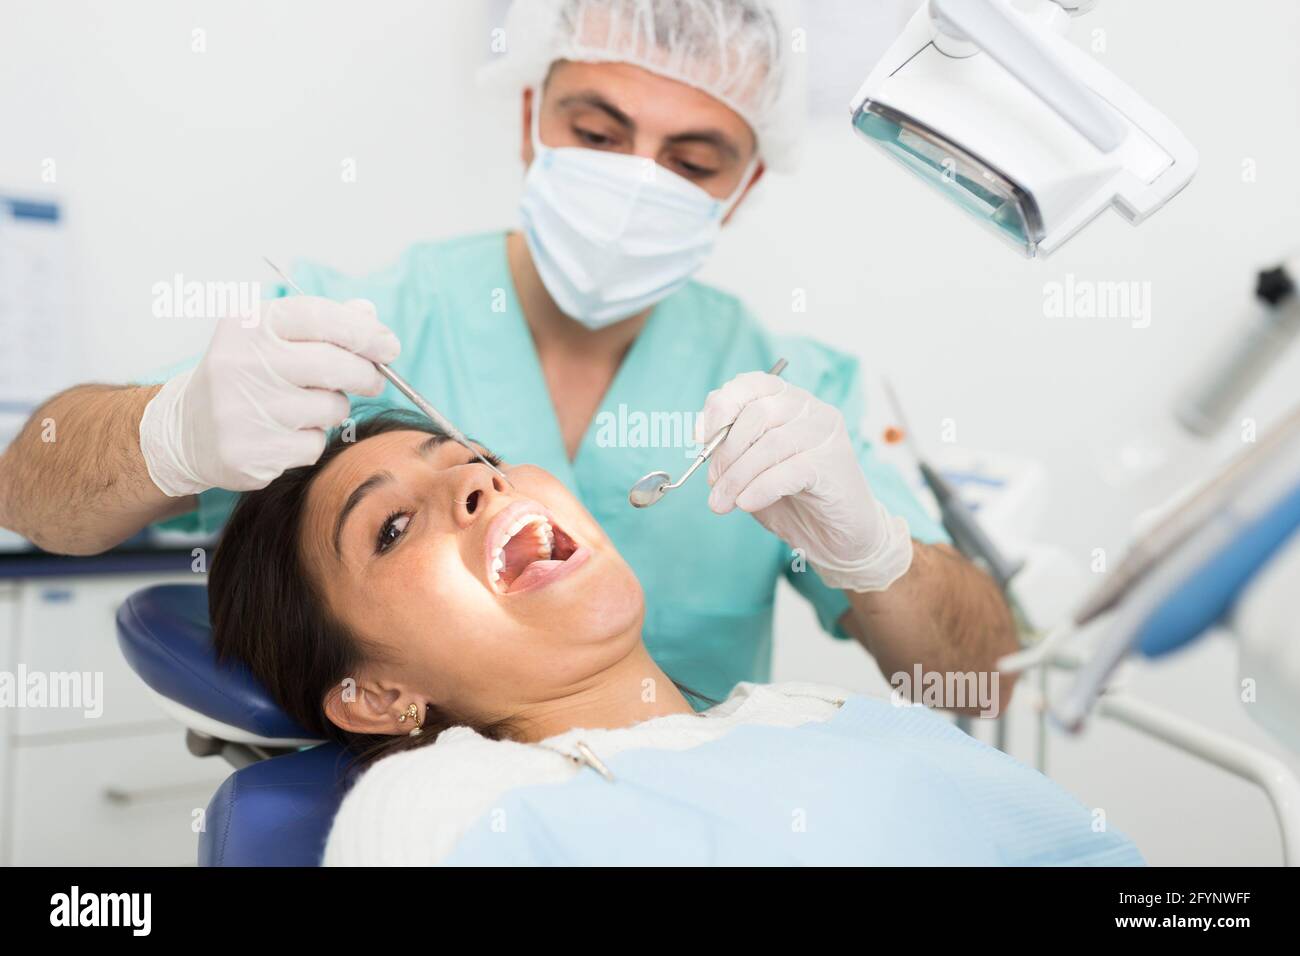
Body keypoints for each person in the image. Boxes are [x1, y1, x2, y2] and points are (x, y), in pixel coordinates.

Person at [0, 0, 1015, 704]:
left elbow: (981, 678)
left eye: (694, 158)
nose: (637, 180)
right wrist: (169, 432)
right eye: (599, 129)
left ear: (744, 187)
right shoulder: (364, 323)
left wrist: (871, 549)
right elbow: (28, 491)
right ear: (533, 117)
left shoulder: (789, 390)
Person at [208, 410, 1138, 866]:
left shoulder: (830, 716)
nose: (478, 487)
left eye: (475, 462)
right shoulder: (438, 805)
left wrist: (879, 550)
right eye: (392, 529)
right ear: (375, 696)